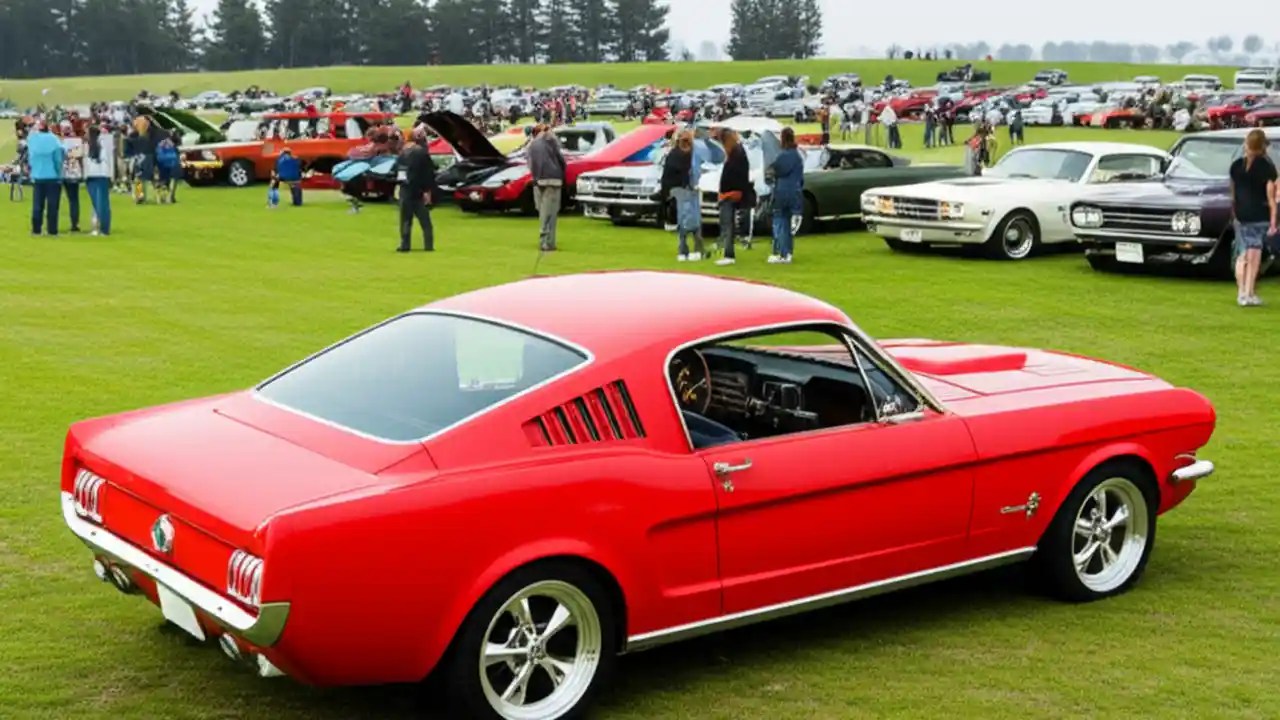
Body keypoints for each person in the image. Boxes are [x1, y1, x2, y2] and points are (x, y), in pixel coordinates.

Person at [1229, 128, 1277, 306]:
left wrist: (1235, 212)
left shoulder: (1236, 166)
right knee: (1254, 255)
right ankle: (1249, 293)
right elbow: (1271, 197)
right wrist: (1273, 221)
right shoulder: (1267, 167)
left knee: (1242, 255)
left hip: (1241, 215)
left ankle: (1241, 292)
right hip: (1259, 214)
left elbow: (1233, 194)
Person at [395, 126, 436, 252]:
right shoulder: (422, 153)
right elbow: (429, 172)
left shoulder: (402, 153)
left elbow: (398, 172)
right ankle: (428, 245)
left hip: (405, 189)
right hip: (419, 191)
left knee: (406, 220)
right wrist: (428, 190)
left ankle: (405, 245)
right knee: (425, 221)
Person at [767, 127, 805, 264]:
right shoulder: (798, 156)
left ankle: (781, 252)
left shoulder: (782, 156)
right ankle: (788, 252)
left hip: (782, 192)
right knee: (788, 224)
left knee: (780, 222)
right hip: (795, 192)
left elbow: (775, 171)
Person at [662, 130, 700, 262]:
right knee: (687, 220)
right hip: (682, 189)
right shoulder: (677, 155)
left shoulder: (685, 155)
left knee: (690, 220)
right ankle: (687, 250)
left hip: (688, 189)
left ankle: (691, 250)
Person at [716, 129, 752, 266]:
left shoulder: (737, 154)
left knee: (727, 225)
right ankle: (728, 252)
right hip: (730, 193)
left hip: (731, 194)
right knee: (727, 224)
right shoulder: (736, 153)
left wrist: (729, 193)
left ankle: (729, 254)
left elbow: (738, 176)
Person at [527, 124, 566, 252]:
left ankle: (545, 240)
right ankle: (547, 242)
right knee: (551, 213)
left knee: (542, 212)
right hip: (553, 179)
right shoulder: (551, 141)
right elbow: (561, 159)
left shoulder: (531, 145)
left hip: (538, 180)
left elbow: (530, 164)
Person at [27, 121, 65, 236]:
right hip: (52, 176)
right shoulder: (54, 140)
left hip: (38, 175)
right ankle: (52, 230)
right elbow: (58, 159)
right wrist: (59, 173)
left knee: (37, 204)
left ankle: (36, 229)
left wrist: (33, 169)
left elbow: (31, 158)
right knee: (53, 205)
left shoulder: (33, 139)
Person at [83, 124, 115, 236]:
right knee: (101, 203)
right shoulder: (98, 145)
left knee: (99, 203)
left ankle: (102, 228)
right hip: (101, 175)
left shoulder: (95, 146)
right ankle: (101, 227)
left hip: (93, 175)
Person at [59, 121, 85, 231]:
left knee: (58, 199)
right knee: (74, 199)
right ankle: (75, 223)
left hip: (62, 173)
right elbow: (80, 158)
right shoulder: (77, 142)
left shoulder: (59, 142)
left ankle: (53, 223)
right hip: (74, 173)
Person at [154, 131, 179, 204]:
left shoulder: (162, 142)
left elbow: (157, 152)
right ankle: (166, 198)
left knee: (162, 179)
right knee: (166, 181)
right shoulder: (171, 144)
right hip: (168, 163)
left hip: (161, 163)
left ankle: (161, 197)